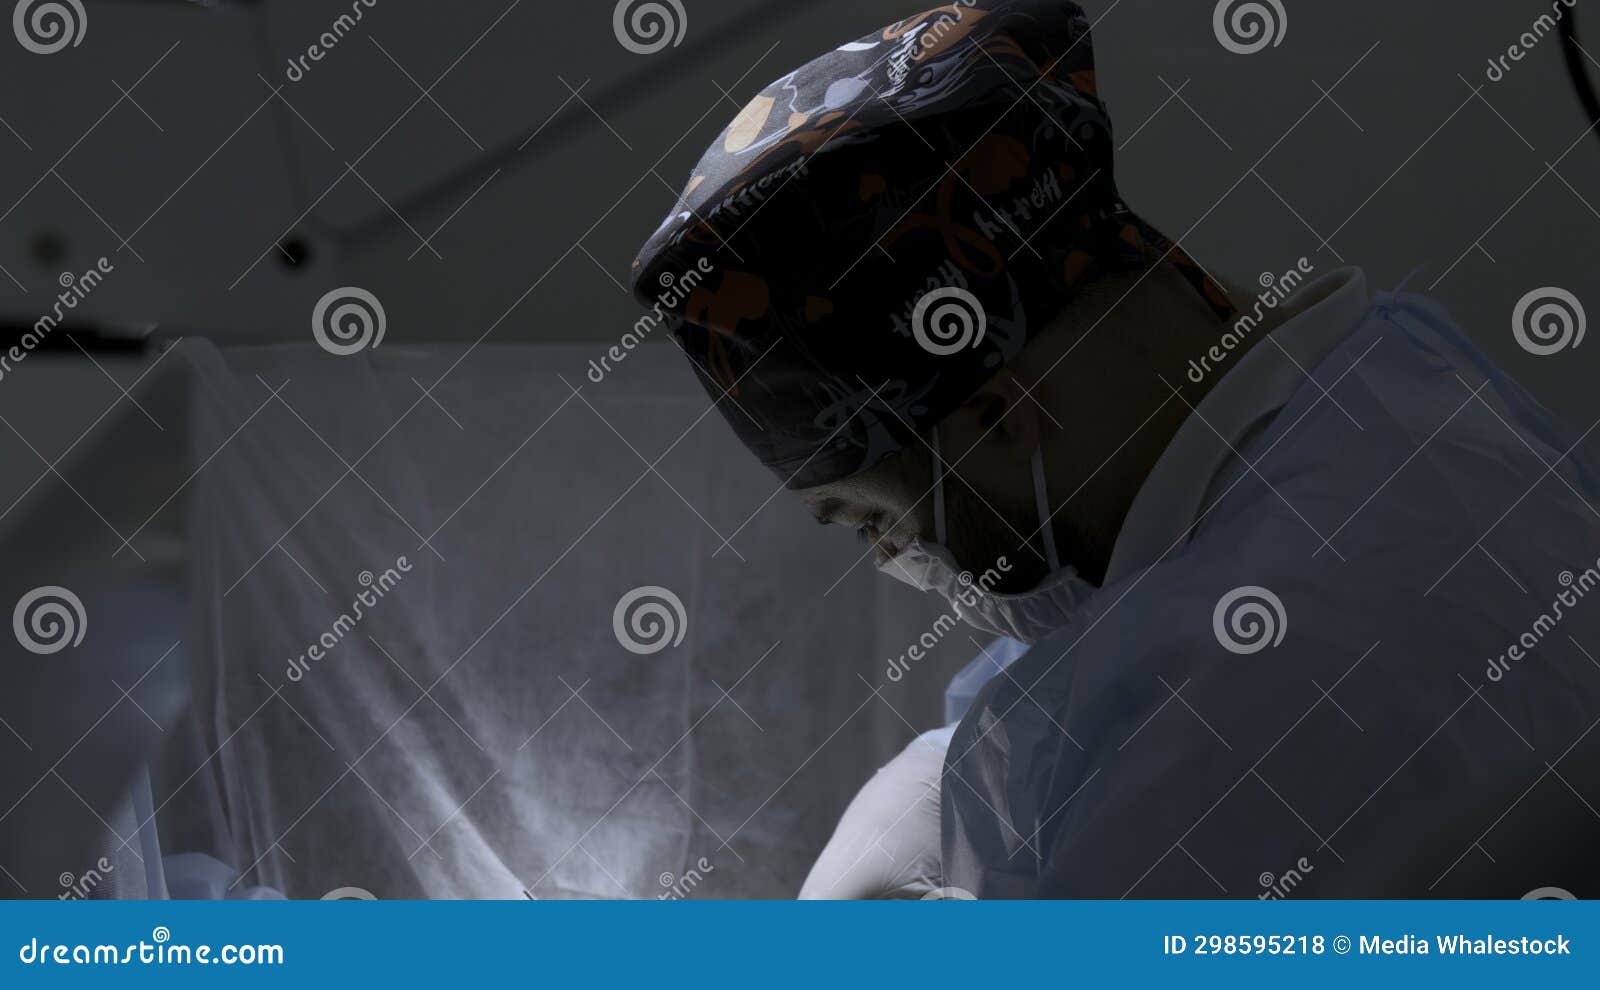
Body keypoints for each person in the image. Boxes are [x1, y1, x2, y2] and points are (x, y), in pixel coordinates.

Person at [633, 0, 1600, 898]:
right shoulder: (1380, 384)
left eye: (878, 522)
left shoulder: (1257, 704)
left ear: (1007, 420)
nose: (899, 564)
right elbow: (1080, 679)